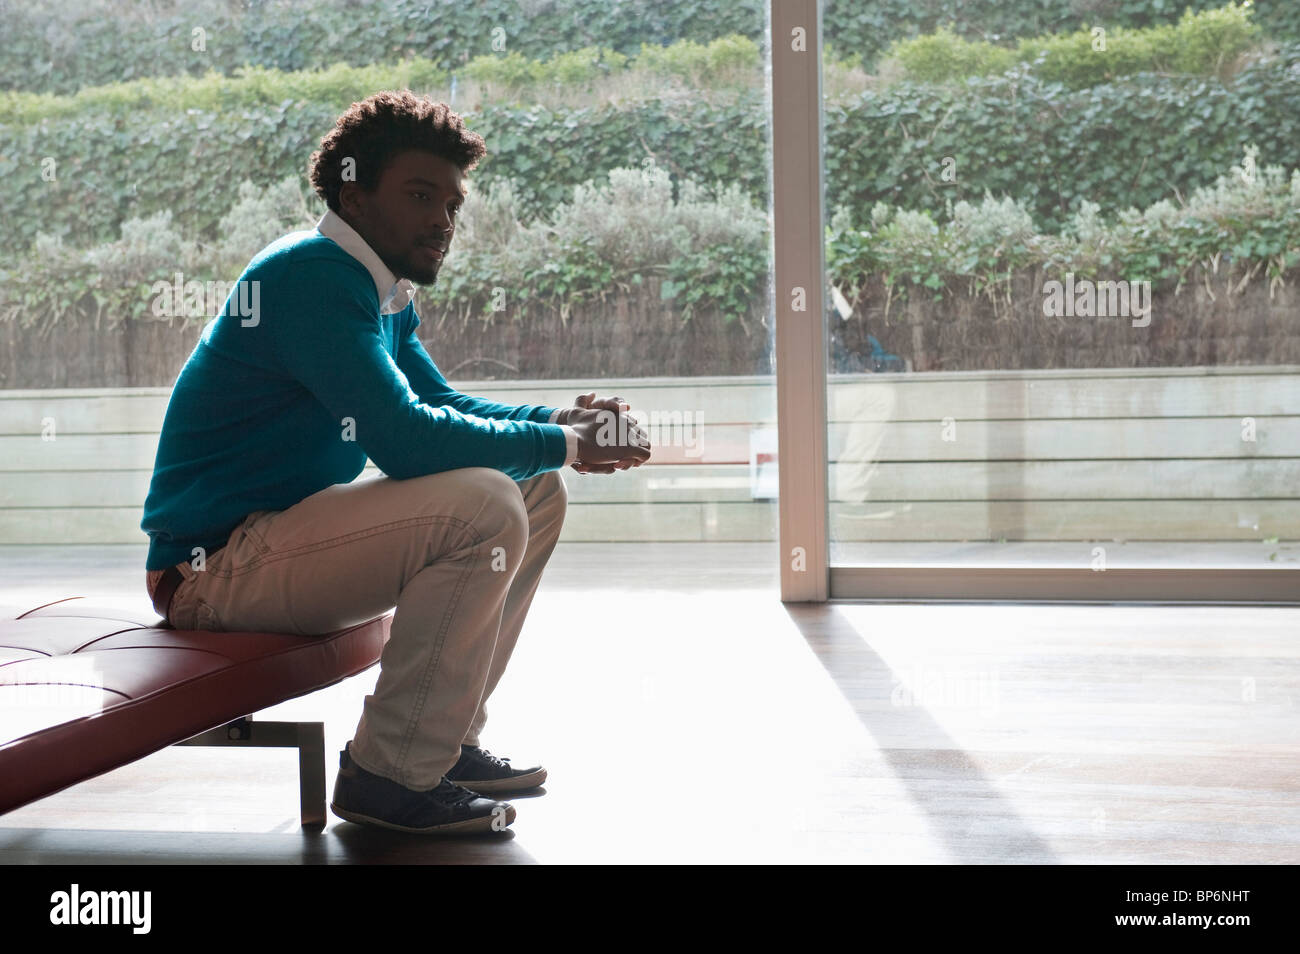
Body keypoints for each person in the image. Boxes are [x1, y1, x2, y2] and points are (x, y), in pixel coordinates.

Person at [140, 90, 652, 835]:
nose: (442, 221)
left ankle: (441, 743)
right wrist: (574, 443)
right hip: (208, 570)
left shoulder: (381, 293)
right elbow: (408, 439)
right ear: (354, 191)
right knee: (484, 503)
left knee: (531, 487)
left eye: (451, 204)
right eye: (420, 195)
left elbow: (440, 403)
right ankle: (389, 773)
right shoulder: (311, 277)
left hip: (278, 539)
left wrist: (556, 426)